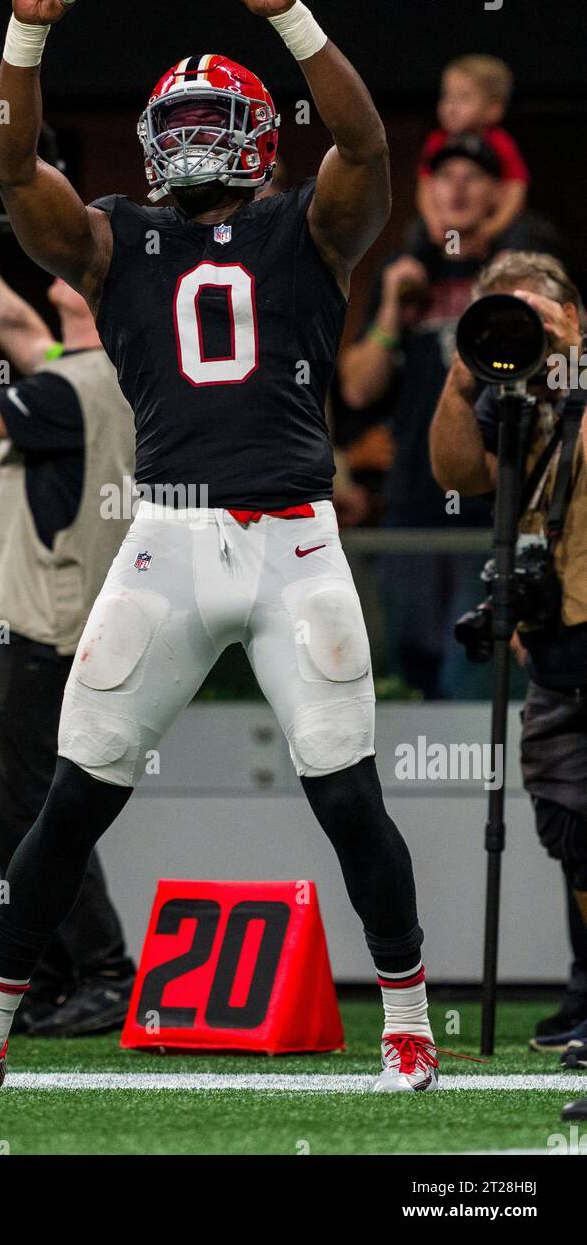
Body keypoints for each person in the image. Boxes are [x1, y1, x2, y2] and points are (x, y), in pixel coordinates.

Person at [0, 0, 439, 1095]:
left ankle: (408, 1022)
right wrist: (27, 34)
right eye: (173, 127)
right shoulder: (113, 238)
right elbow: (11, 170)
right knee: (69, 795)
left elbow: (361, 138)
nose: (190, 144)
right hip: (167, 541)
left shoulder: (310, 225)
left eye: (209, 125)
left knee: (345, 793)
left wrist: (289, 17)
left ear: (253, 143)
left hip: (292, 541)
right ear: (148, 145)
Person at [0, 251, 137, 1035]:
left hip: (38, 629)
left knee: (32, 814)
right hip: (50, 624)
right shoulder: (93, 369)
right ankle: (50, 976)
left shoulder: (70, 388)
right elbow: (18, 328)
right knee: (22, 809)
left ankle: (104, 970)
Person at [429, 251, 587, 1062]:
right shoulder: (513, 400)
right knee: (571, 820)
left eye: (535, 310)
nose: (521, 324)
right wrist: (464, 379)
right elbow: (458, 473)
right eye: (503, 310)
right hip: (558, 638)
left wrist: (574, 350)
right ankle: (585, 990)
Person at [341, 136, 531, 698]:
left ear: (498, 193)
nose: (458, 188)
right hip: (413, 507)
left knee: (469, 678)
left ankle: (472, 784)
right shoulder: (407, 270)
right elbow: (356, 386)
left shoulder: (515, 269)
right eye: (445, 176)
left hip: (491, 507)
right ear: (427, 191)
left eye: (474, 177)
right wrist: (392, 316)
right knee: (412, 671)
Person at [416, 56, 529, 250]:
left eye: (464, 98)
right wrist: (433, 220)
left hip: (491, 223)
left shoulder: (501, 142)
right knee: (417, 235)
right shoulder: (437, 141)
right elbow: (426, 185)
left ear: (494, 109)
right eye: (447, 97)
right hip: (450, 223)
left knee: (520, 235)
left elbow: (516, 189)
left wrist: (493, 227)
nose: (451, 107)